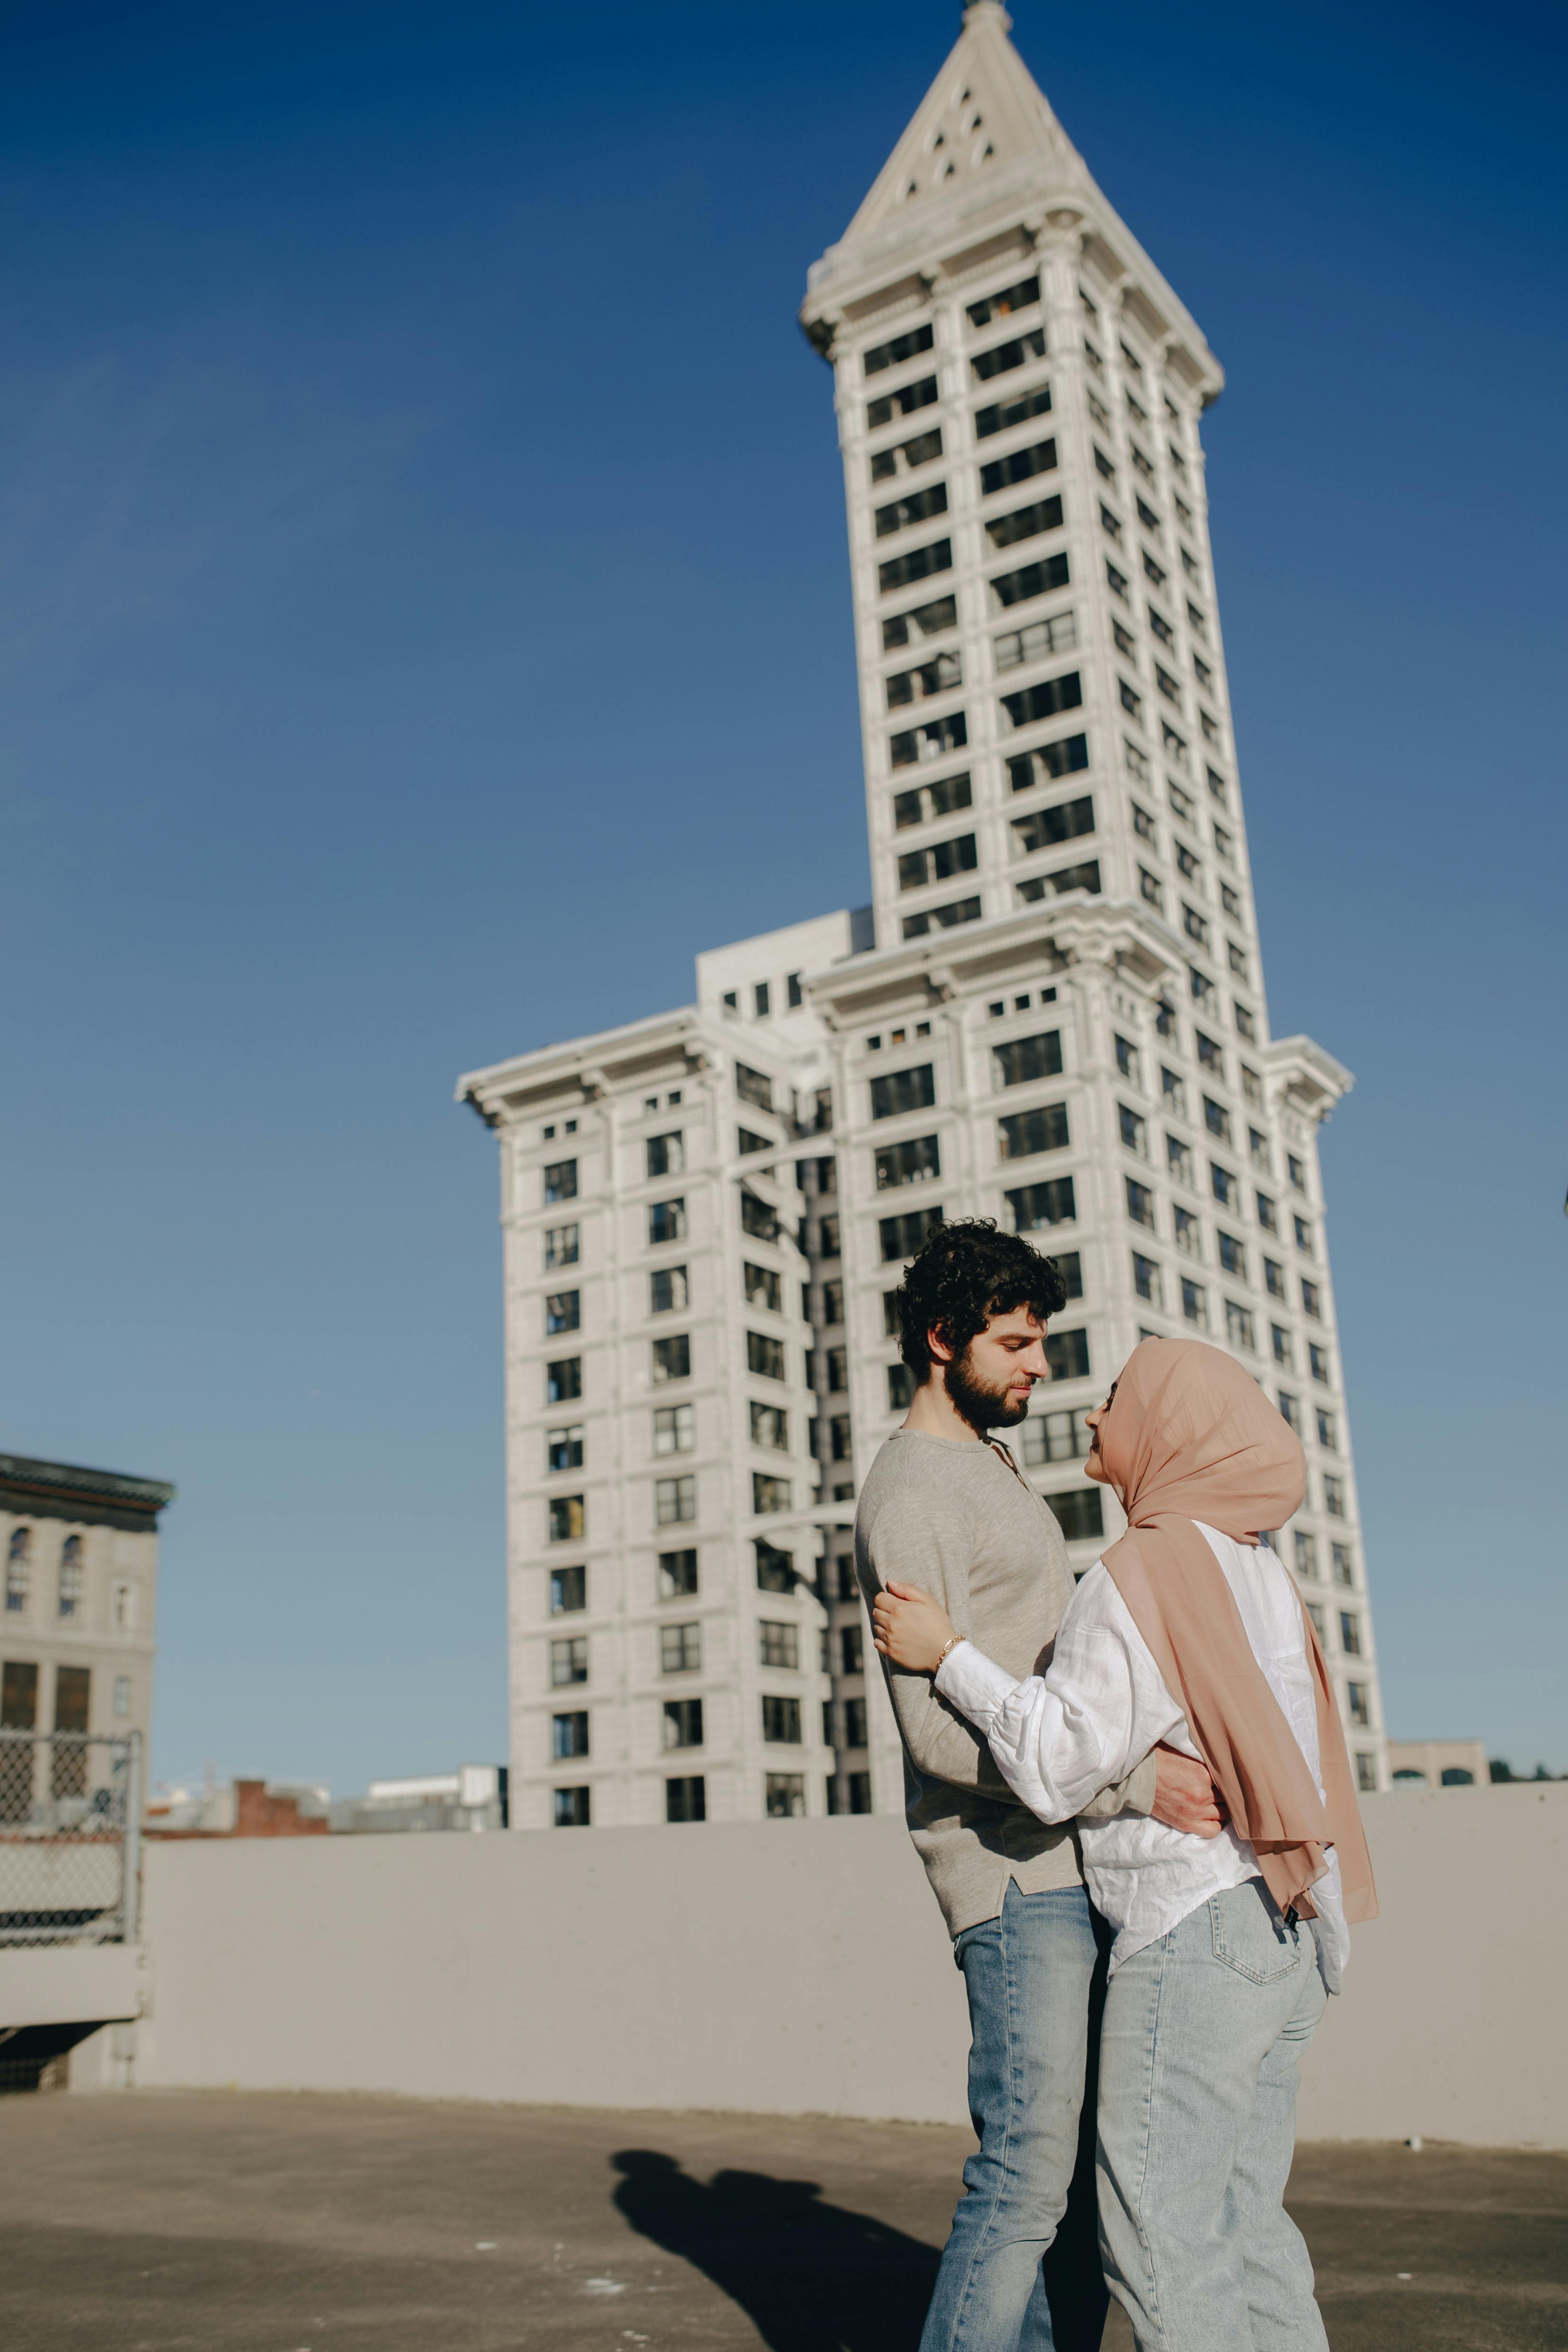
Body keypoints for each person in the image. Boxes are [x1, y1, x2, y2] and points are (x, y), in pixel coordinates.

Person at [873, 1335, 1379, 2352]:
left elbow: (1059, 1764)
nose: (1094, 1413)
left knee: (1160, 2237)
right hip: (1285, 1924)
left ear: (1165, 1428)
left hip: (1193, 1931)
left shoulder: (1139, 1572)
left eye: (1117, 1398)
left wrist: (953, 1658)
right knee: (1249, 2229)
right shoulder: (1261, 1572)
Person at [855, 1223, 1226, 2352]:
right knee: (1023, 2176)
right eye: (1015, 1345)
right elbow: (934, 1738)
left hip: (1079, 1870)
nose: (1039, 1368)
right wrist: (1126, 1786)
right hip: (1012, 1883)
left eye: (1041, 1343)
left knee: (1075, 2188)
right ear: (939, 1342)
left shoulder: (992, 1464)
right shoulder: (911, 1490)